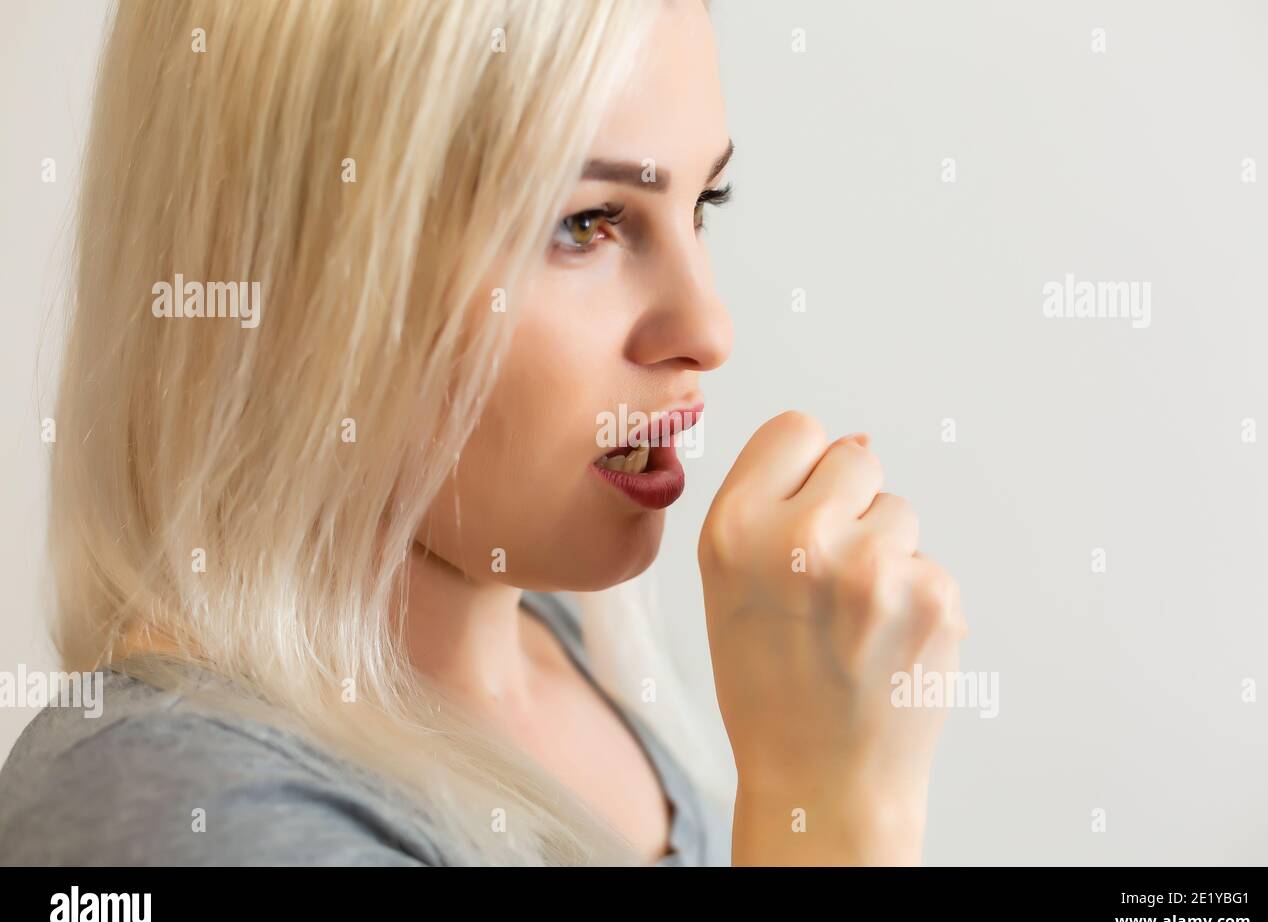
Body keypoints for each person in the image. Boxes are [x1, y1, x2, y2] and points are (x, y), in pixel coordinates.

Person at [0, 0, 965, 866]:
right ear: (304, 274)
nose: (709, 331)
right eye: (587, 223)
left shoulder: (576, 653)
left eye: (702, 204)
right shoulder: (173, 815)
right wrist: (829, 812)